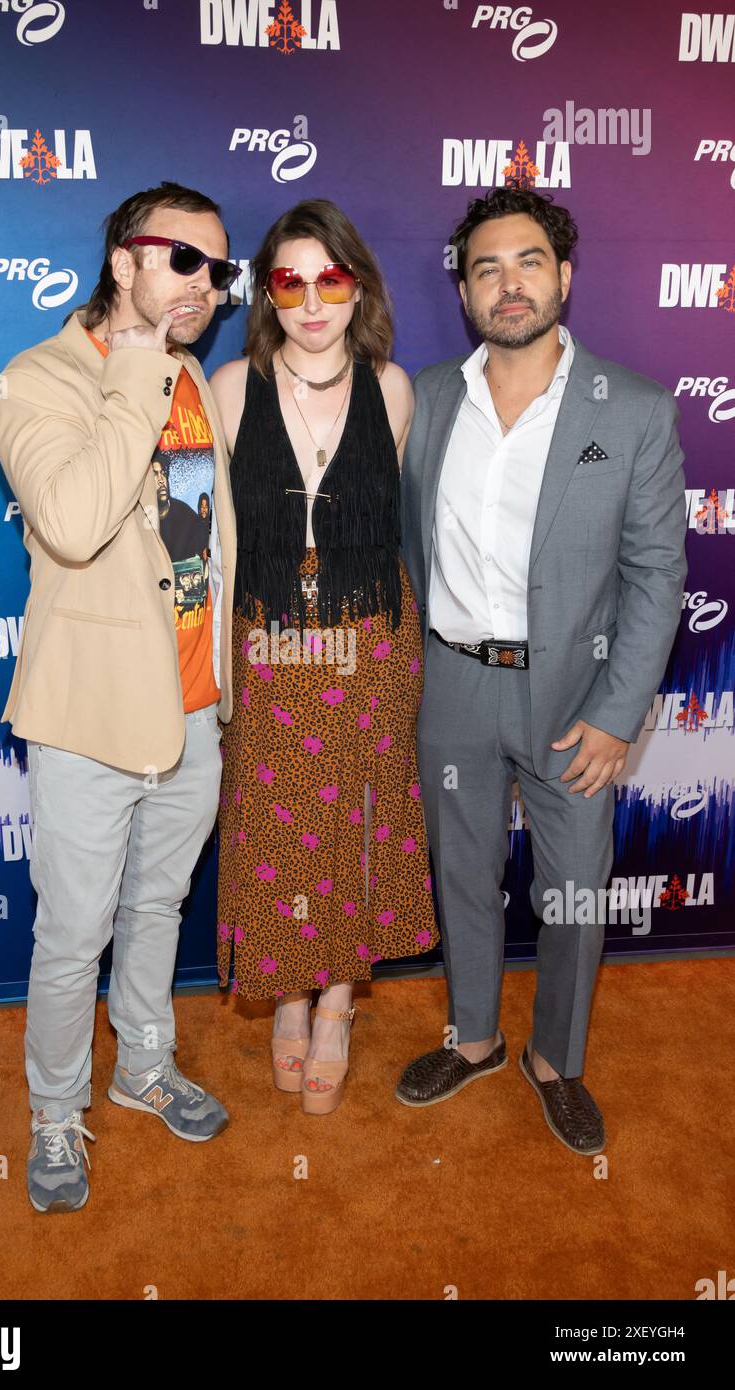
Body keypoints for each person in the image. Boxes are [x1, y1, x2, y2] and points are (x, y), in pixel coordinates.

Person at [397, 187, 687, 1153]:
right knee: (464, 877)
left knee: (572, 890)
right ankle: (475, 1037)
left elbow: (656, 573)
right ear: (466, 290)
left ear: (563, 277)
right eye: (486, 267)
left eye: (528, 262)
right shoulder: (425, 397)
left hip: (575, 695)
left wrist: (620, 711)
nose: (508, 283)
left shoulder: (634, 411)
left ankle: (555, 1058)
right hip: (452, 685)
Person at [0, 181, 241, 1211]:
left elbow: (205, 543)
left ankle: (142, 1064)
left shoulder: (193, 378)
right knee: (72, 931)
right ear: (123, 261)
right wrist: (137, 366)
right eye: (183, 260)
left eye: (218, 270)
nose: (207, 286)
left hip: (190, 710)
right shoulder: (40, 377)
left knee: (159, 906)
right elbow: (75, 520)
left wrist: (221, 687)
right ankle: (56, 1111)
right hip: (89, 718)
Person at [209, 199, 438, 1116]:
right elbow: (208, 534)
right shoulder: (230, 387)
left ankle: (337, 1002)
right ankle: (289, 995)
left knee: (359, 816)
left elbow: (392, 529)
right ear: (267, 292)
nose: (312, 300)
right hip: (268, 641)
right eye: (290, 281)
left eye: (331, 279)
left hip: (370, 637)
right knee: (274, 823)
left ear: (358, 287)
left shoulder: (394, 390)